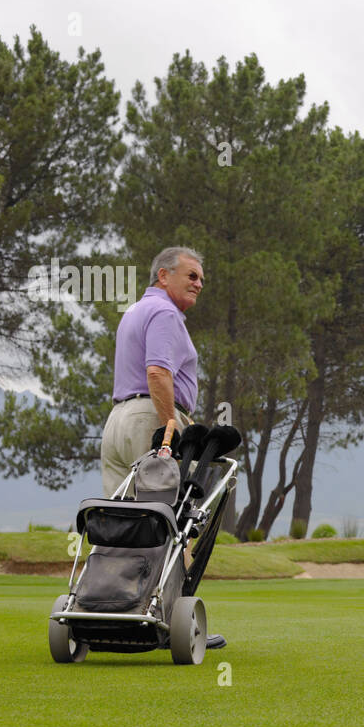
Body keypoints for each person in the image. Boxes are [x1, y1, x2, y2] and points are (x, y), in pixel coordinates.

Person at [102, 244, 226, 650]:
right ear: (163, 276)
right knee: (173, 524)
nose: (199, 284)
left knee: (121, 523)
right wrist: (171, 427)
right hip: (150, 422)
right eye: (191, 275)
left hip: (118, 421)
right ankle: (175, 623)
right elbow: (158, 371)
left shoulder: (135, 310)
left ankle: (111, 611)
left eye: (202, 279)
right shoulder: (165, 313)